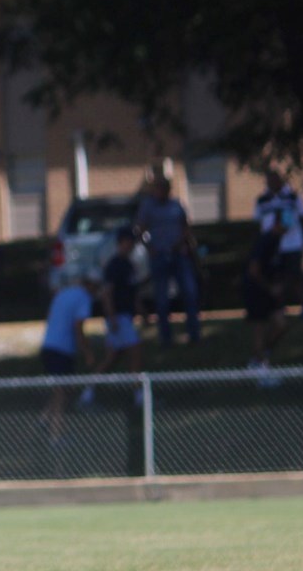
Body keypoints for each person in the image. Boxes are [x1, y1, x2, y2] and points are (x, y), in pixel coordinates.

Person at [134, 173, 202, 346]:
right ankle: (165, 338)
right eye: (159, 188)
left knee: (189, 293)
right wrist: (150, 248)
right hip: (159, 257)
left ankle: (194, 334)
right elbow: (140, 230)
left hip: (179, 254)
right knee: (161, 298)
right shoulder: (148, 207)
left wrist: (181, 243)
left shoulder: (176, 205)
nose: (162, 191)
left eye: (165, 188)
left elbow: (186, 226)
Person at [38, 273, 96, 436]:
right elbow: (79, 328)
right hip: (61, 349)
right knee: (62, 391)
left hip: (49, 345)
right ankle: (56, 435)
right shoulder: (84, 297)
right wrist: (88, 352)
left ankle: (44, 420)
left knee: (64, 389)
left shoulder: (63, 293)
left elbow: (49, 316)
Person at [91, 228, 144, 392]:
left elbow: (132, 293)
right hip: (119, 317)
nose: (132, 246)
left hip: (126, 316)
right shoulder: (114, 265)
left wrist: (141, 311)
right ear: (121, 243)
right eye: (129, 242)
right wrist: (112, 317)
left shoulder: (129, 265)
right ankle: (139, 394)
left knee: (112, 358)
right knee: (135, 352)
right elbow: (107, 293)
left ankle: (89, 391)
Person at [254, 170, 303, 315]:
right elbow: (257, 222)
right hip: (272, 246)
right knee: (276, 276)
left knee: (295, 276)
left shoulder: (292, 197)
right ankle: (279, 307)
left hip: (292, 244)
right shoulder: (262, 200)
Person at [241, 220, 291, 380]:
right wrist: (270, 287)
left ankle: (259, 357)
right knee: (259, 330)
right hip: (257, 291)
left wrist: (279, 285)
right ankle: (261, 373)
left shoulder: (279, 242)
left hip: (269, 293)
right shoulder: (264, 240)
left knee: (281, 324)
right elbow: (254, 270)